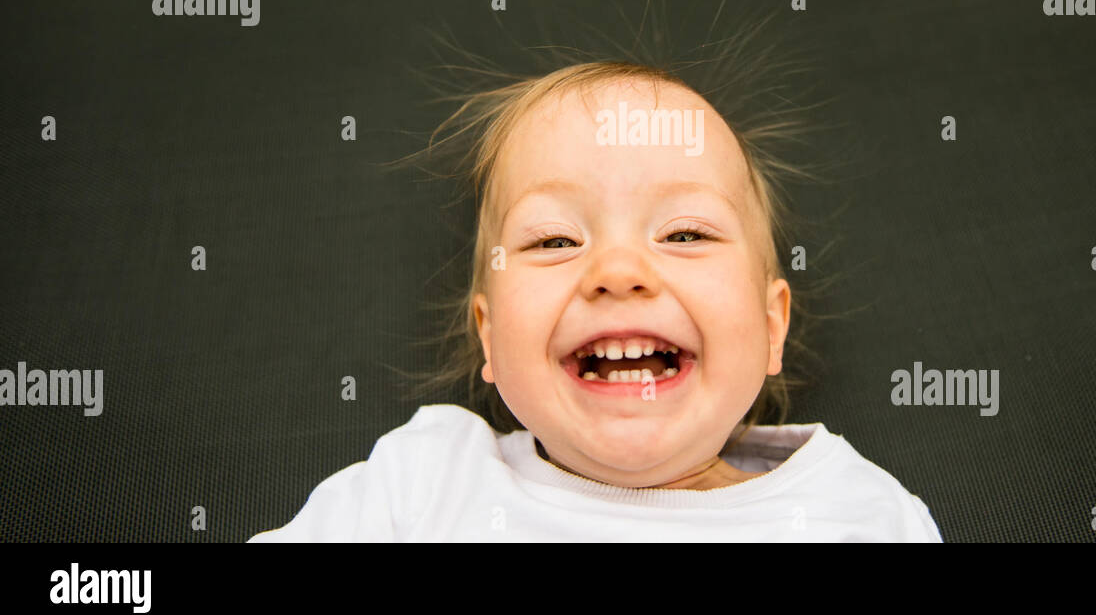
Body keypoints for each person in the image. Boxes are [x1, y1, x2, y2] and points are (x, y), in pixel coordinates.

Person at [249, 52, 942, 542]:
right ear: (489, 336)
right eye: (553, 241)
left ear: (771, 327)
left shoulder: (855, 512)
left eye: (685, 232)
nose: (617, 270)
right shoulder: (428, 481)